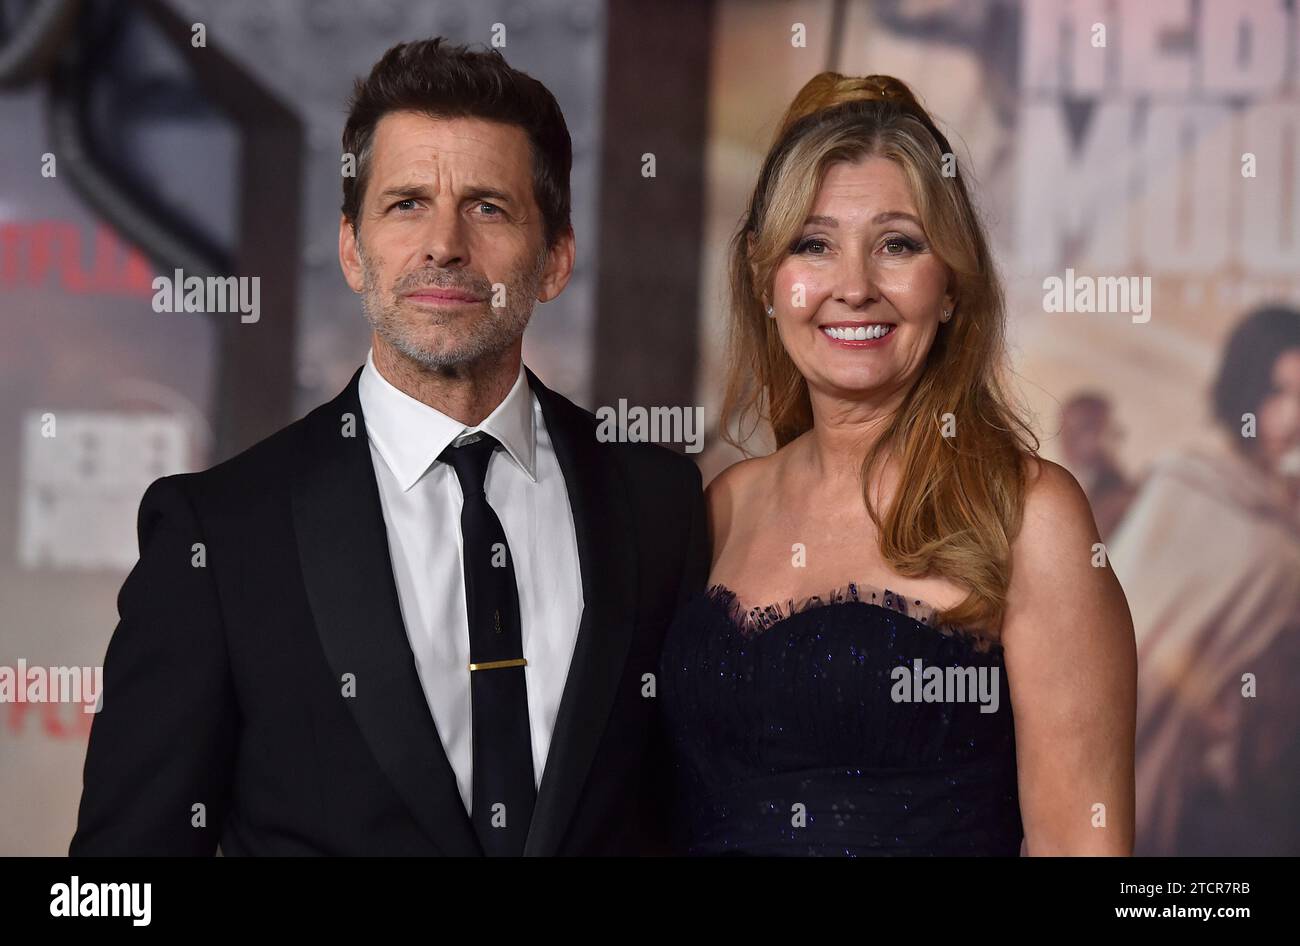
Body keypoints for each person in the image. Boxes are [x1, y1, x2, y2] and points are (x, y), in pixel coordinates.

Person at [70, 37, 708, 857]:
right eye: (406, 203)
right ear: (351, 250)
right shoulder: (218, 537)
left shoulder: (659, 505)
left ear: (555, 259)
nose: (444, 244)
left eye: (487, 206)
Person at [659, 73, 1136, 855]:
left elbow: (1084, 847)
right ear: (763, 277)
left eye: (898, 245)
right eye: (814, 245)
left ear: (949, 284)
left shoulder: (1029, 516)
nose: (854, 287)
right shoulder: (724, 504)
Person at [1108, 305, 1300, 855]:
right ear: (1244, 386)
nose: (1290, 418)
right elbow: (1117, 615)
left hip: (1194, 771)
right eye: (1277, 392)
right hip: (1115, 714)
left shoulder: (1285, 542)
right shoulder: (1180, 483)